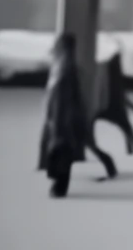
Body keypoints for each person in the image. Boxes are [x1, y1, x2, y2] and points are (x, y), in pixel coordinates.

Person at [38, 32, 117, 197]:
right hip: (65, 118)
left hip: (64, 119)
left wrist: (59, 119)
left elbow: (64, 98)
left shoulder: (65, 70)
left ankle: (60, 186)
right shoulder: (66, 67)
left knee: (62, 150)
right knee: (70, 148)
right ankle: (60, 184)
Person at [94, 45, 133, 155]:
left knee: (127, 128)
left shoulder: (105, 70)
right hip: (115, 105)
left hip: (110, 104)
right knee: (127, 128)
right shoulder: (112, 72)